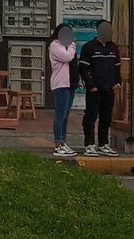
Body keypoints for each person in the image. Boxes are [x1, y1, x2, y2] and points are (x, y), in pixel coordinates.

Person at [79, 20, 122, 157]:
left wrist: (118, 82)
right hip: (95, 89)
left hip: (109, 89)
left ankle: (104, 144)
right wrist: (90, 85)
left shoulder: (113, 48)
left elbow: (117, 67)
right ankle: (89, 144)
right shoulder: (89, 47)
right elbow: (83, 68)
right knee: (90, 117)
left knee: (106, 117)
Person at [49, 23, 78, 158]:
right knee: (60, 115)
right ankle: (57, 143)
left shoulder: (67, 47)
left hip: (70, 84)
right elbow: (68, 57)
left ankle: (63, 141)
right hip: (60, 84)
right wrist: (72, 45)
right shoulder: (55, 46)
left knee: (66, 115)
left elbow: (73, 62)